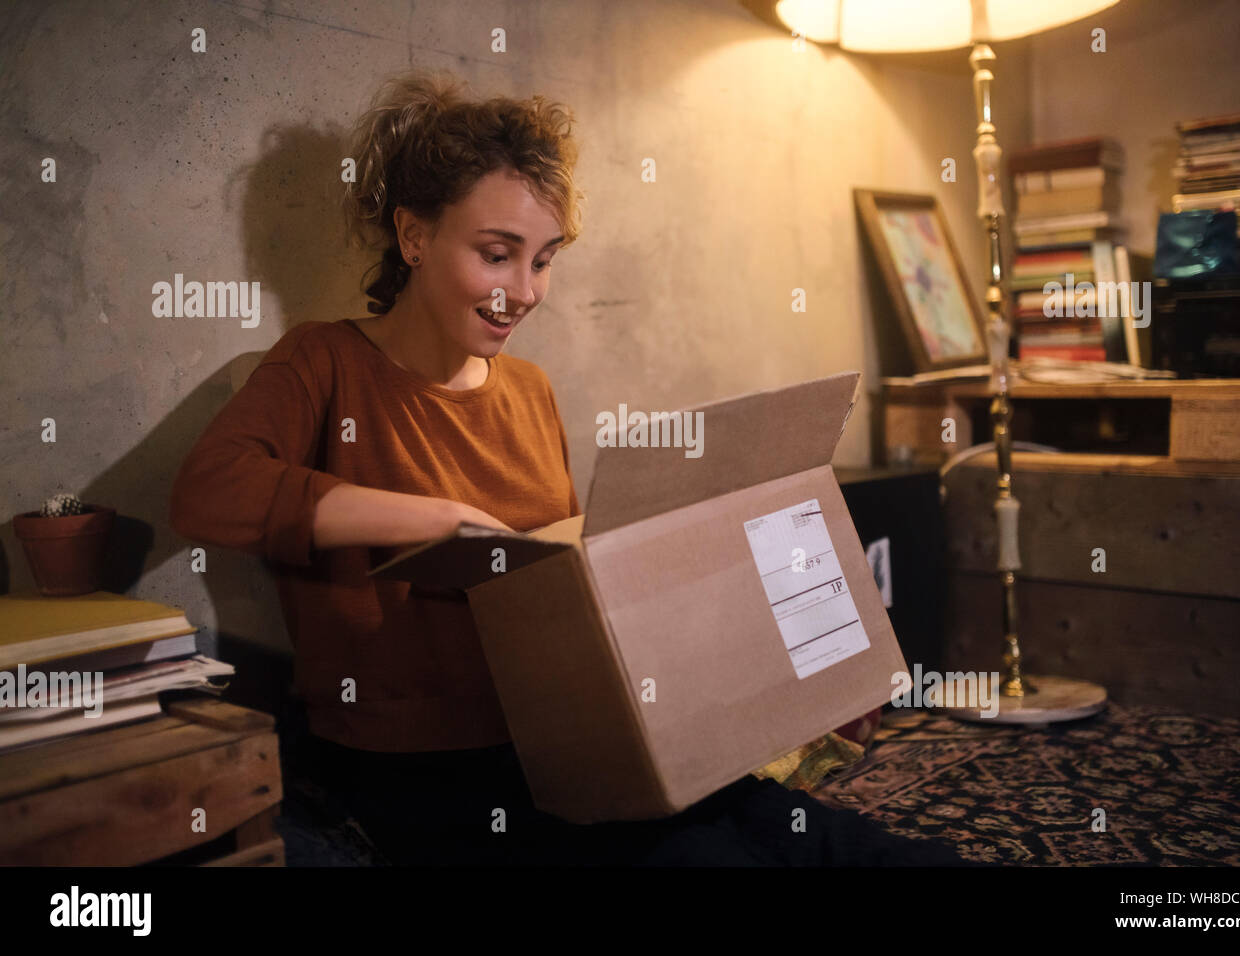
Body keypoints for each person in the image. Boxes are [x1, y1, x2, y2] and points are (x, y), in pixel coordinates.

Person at [169, 68, 966, 867]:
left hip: (561, 739)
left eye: (543, 261)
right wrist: (429, 520)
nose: (523, 292)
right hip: (411, 768)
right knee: (697, 860)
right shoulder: (324, 361)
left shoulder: (528, 389)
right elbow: (210, 491)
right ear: (413, 237)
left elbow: (565, 588)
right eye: (497, 255)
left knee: (816, 837)